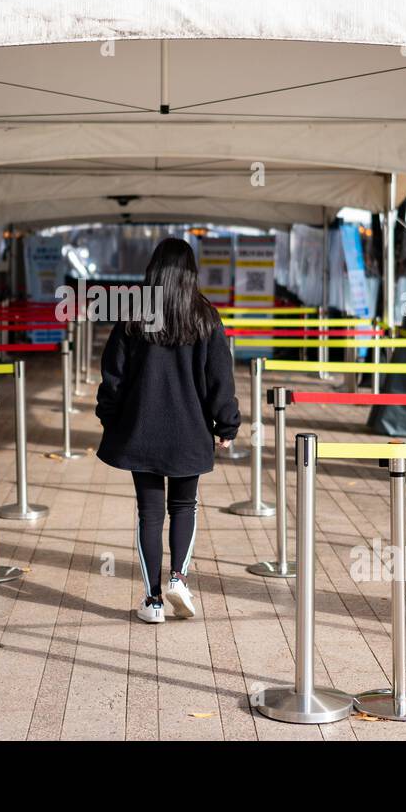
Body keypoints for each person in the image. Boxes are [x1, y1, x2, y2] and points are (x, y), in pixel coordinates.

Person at [95, 238, 241, 624]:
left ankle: (153, 600)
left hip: (141, 431)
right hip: (190, 432)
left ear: (153, 270)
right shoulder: (206, 317)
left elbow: (113, 376)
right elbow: (220, 378)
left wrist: (110, 417)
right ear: (191, 272)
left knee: (149, 513)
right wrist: (227, 424)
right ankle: (179, 578)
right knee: (184, 506)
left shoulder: (134, 314)